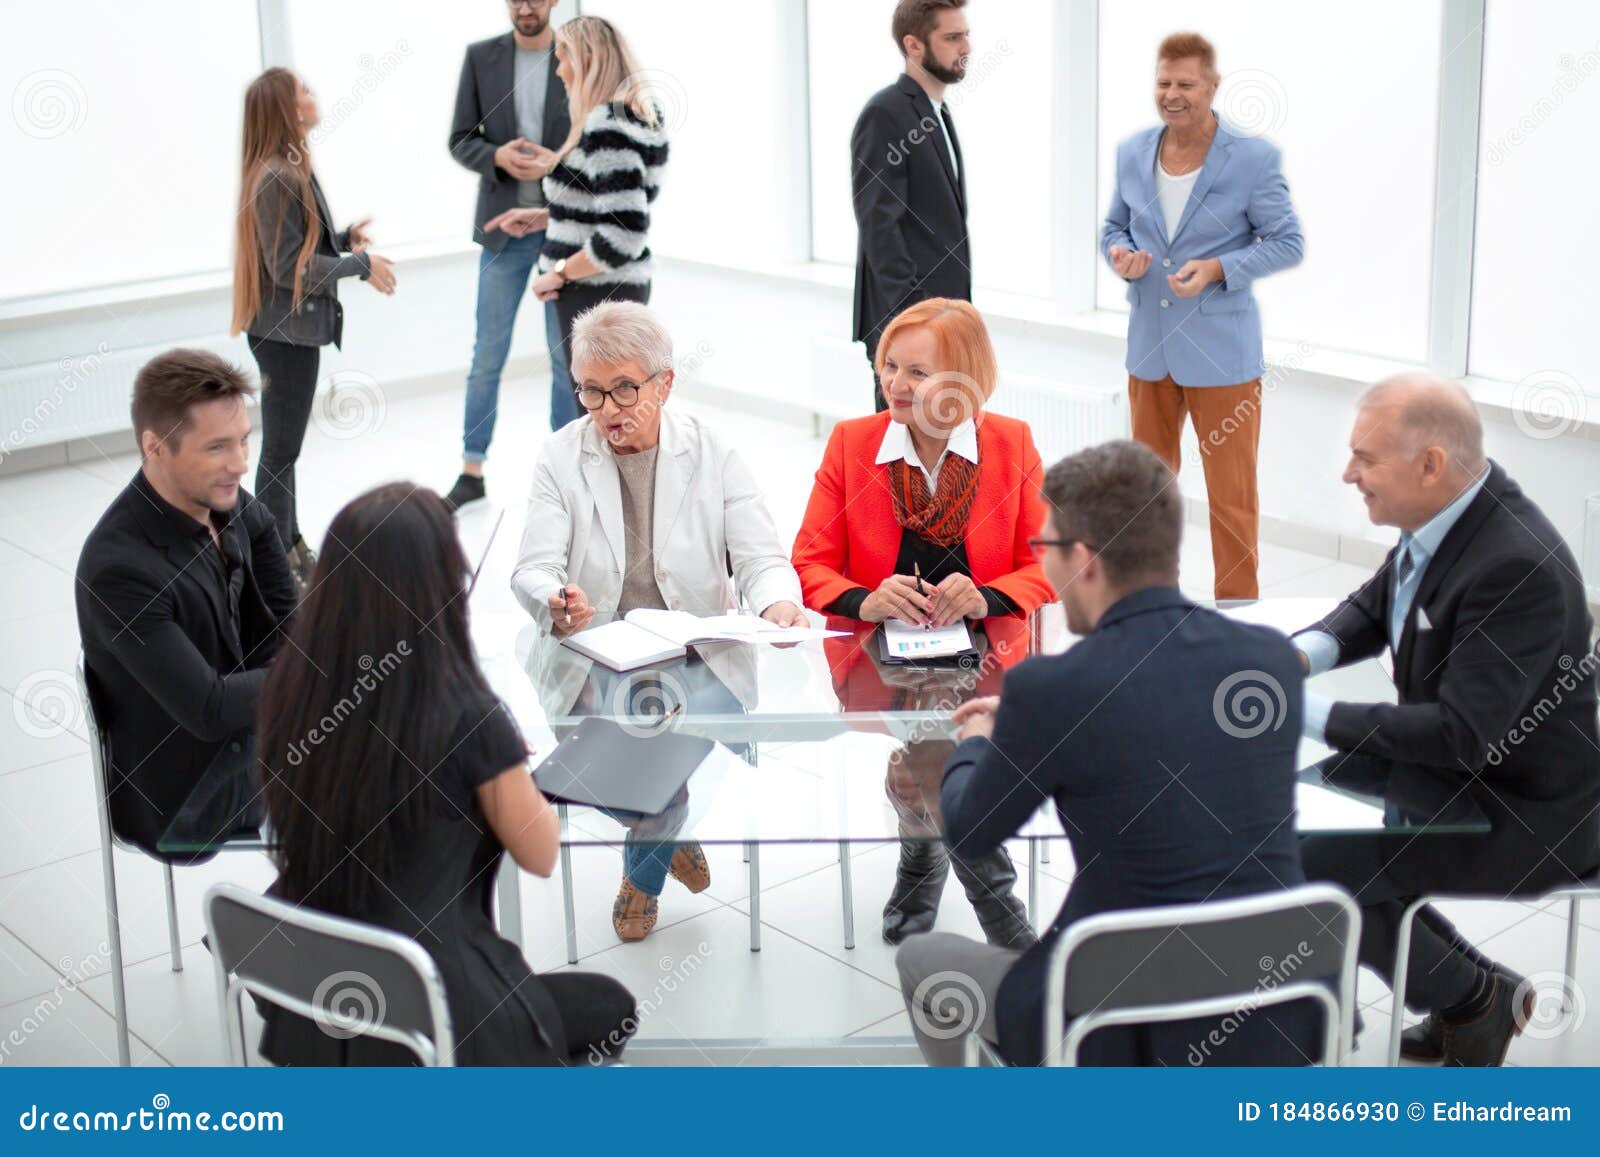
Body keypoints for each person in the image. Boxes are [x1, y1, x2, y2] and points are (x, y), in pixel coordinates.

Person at [896, 440, 1321, 1066]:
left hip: (1120, 1015)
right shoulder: (1272, 661)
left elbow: (971, 829)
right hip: (1279, 1007)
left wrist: (975, 745)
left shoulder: (1054, 688)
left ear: (1085, 560)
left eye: (1045, 550)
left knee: (922, 959)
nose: (1043, 568)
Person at [257, 483, 636, 1066]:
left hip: (313, 998)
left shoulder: (291, 691)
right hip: (436, 1011)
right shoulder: (468, 716)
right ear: (438, 589)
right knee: (612, 1003)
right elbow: (539, 854)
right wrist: (507, 766)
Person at [1292, 374, 1600, 1066]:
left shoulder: (1514, 566)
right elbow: (1376, 605)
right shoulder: (1453, 513)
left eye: (1365, 458)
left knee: (1309, 861)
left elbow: (1462, 735)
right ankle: (1481, 994)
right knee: (1294, 832)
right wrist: (1298, 658)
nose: (1349, 473)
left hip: (1528, 814)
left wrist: (1306, 715)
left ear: (1429, 463)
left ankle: (1475, 1001)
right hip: (1460, 773)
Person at [510, 301, 804, 941]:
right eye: (591, 390)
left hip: (694, 653)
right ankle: (668, 833)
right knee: (613, 765)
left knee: (656, 751)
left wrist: (777, 601)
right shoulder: (561, 457)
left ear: (665, 383)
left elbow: (760, 557)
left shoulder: (715, 453)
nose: (607, 408)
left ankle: (642, 874)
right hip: (595, 651)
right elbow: (531, 567)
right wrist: (555, 599)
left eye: (624, 388)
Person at [791, 297, 1050, 948]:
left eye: (917, 372)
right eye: (888, 366)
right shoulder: (853, 443)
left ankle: (921, 851)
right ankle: (1001, 910)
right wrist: (865, 599)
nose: (895, 385)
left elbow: (1050, 563)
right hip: (881, 653)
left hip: (987, 650)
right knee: (944, 747)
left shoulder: (1010, 442)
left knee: (932, 753)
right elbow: (811, 559)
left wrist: (987, 593)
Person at [1101, 32, 1303, 601]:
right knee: (1145, 492)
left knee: (1231, 497)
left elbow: (1287, 242)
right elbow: (1113, 227)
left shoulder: (1254, 158)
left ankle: (1237, 615)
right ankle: (1145, 607)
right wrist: (1119, 255)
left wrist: (1218, 267)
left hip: (1223, 354)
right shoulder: (1132, 151)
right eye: (1163, 82)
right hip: (1149, 347)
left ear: (1213, 86)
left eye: (1186, 84)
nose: (1172, 94)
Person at [75, 350, 297, 856]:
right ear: (155, 447)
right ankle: (284, 929)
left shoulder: (230, 501)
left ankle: (295, 927)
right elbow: (210, 709)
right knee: (390, 789)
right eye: (217, 447)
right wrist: (325, 667)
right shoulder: (119, 569)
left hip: (253, 731)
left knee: (410, 743)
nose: (241, 463)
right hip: (185, 796)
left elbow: (291, 626)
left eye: (244, 440)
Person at [230, 67, 396, 591]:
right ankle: (273, 565)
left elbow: (304, 246)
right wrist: (361, 267)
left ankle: (288, 545)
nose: (312, 94)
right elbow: (289, 271)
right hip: (284, 335)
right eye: (301, 89)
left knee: (285, 452)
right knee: (280, 454)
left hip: (288, 334)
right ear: (285, 107)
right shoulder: (278, 174)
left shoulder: (288, 167)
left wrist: (344, 239)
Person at [483, 13, 667, 419]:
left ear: (585, 60)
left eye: (562, 57)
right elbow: (606, 203)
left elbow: (623, 234)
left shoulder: (609, 125)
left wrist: (561, 272)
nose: (559, 69)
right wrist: (544, 218)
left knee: (607, 422)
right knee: (613, 419)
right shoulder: (630, 117)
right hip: (604, 290)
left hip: (596, 293)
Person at [443, 0, 575, 512]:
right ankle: (472, 469)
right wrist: (494, 157)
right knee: (487, 356)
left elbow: (590, 136)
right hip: (501, 232)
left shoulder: (576, 54)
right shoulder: (481, 58)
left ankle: (568, 473)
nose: (525, 7)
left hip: (562, 231)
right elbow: (459, 139)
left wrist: (555, 165)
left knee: (565, 356)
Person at [851, 0, 972, 411]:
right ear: (914, 45)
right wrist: (913, 326)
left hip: (940, 327)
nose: (966, 46)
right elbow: (879, 227)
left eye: (966, 34)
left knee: (943, 457)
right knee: (900, 459)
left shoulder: (937, 112)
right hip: (909, 333)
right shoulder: (886, 113)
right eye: (952, 37)